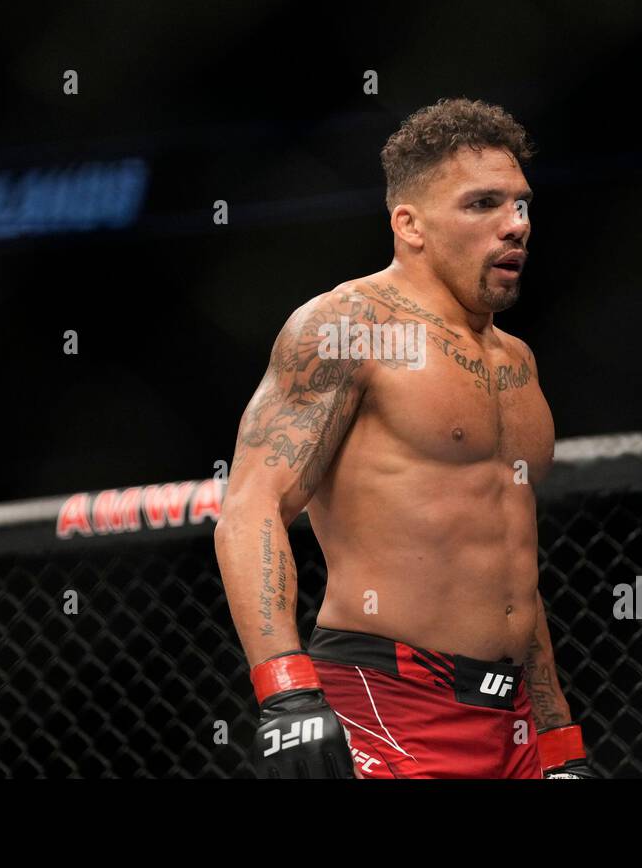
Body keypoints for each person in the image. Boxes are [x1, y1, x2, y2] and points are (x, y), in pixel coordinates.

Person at [215, 97, 591, 778]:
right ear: (409, 225)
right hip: (385, 702)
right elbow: (250, 506)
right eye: (483, 205)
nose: (516, 226)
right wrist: (286, 691)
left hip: (513, 726)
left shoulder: (517, 363)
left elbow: (514, 571)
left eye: (521, 204)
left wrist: (560, 740)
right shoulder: (346, 326)